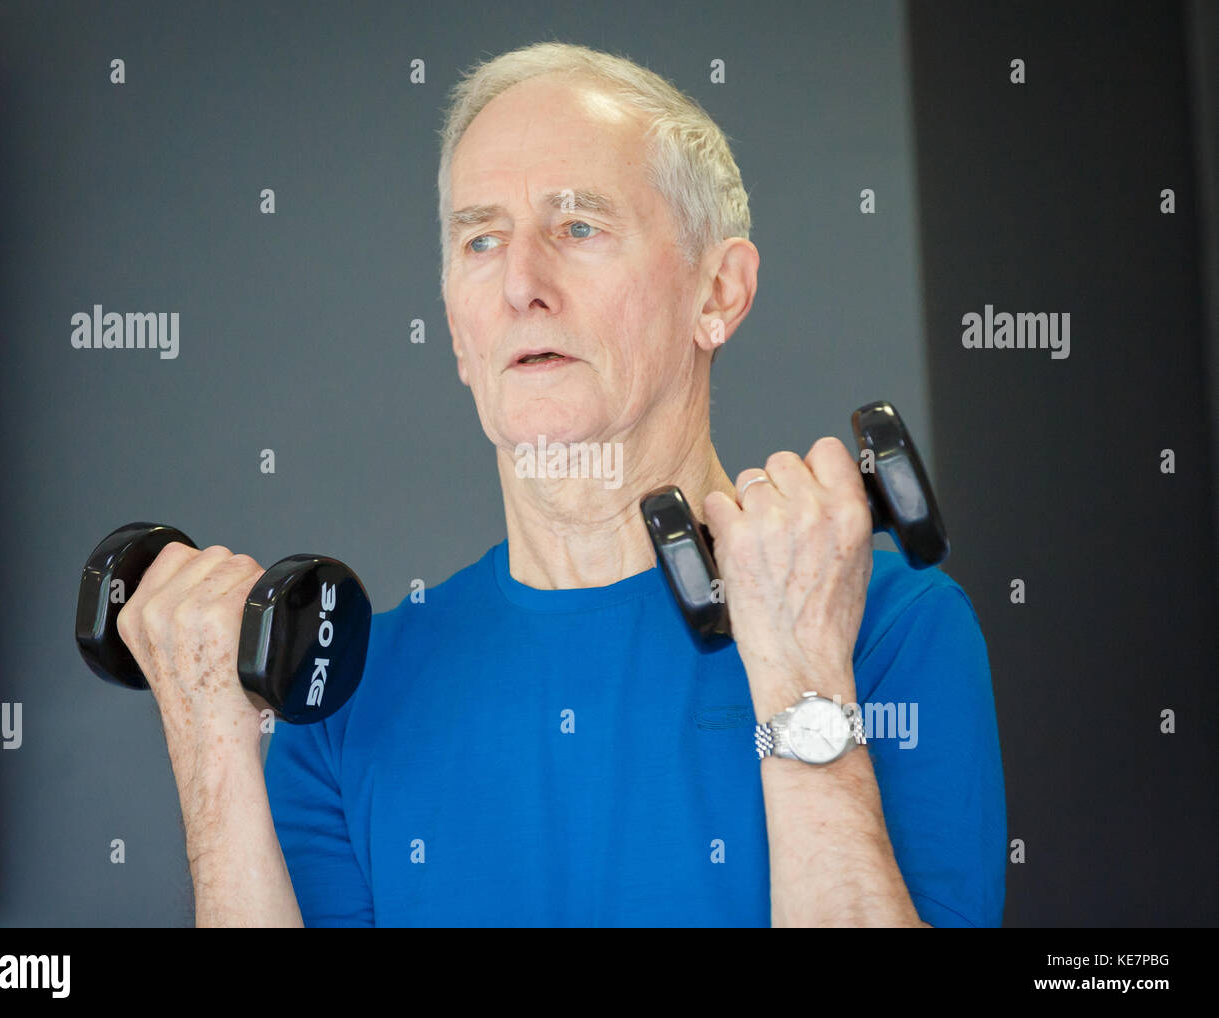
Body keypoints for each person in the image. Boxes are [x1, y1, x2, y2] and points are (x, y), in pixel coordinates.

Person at [118, 41, 1005, 928]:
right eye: (481, 240)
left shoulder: (885, 628)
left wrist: (804, 676)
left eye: (578, 227)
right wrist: (214, 757)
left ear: (719, 292)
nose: (520, 284)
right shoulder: (345, 697)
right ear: (457, 334)